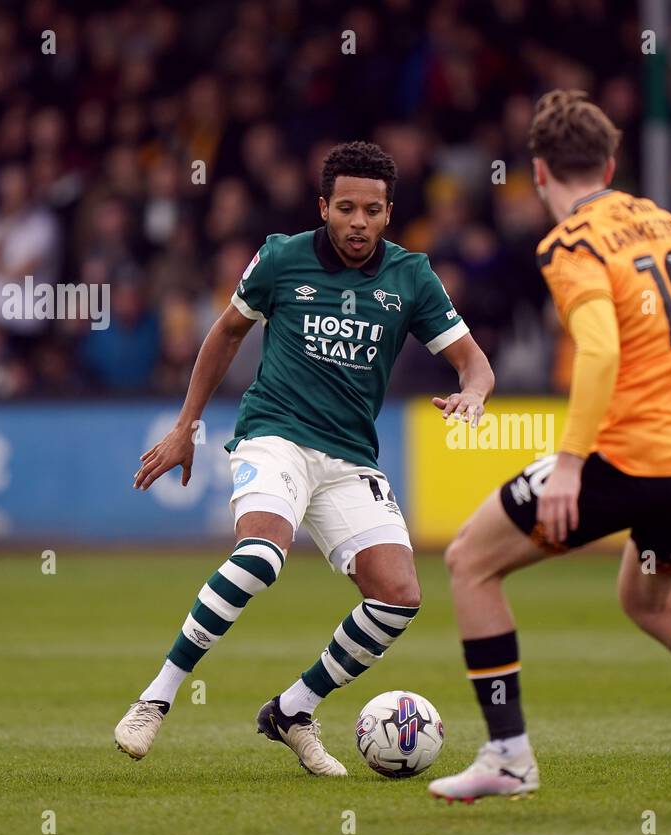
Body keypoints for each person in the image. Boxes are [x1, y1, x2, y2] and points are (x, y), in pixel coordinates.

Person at [428, 91, 671, 805]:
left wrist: (570, 464)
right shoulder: (660, 221)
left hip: (625, 461)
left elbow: (599, 350)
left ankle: (508, 756)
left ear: (539, 173)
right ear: (608, 163)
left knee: (469, 562)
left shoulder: (572, 243)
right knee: (648, 595)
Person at [114, 142, 495, 775]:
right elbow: (226, 333)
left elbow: (473, 363)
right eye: (345, 208)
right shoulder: (282, 257)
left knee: (399, 597)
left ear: (388, 213)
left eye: (371, 210)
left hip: (350, 458)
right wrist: (187, 425)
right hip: (275, 435)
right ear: (323, 207)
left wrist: (474, 394)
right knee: (262, 557)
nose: (358, 222)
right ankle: (156, 698)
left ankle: (292, 711)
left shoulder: (411, 277)